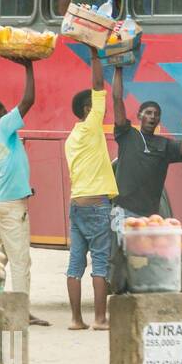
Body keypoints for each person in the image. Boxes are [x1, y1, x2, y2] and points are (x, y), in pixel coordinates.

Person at [109, 67, 182, 290]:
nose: (152, 117)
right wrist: (119, 68)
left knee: (142, 259)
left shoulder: (164, 145)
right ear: (138, 116)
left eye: (156, 114)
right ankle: (119, 295)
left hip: (148, 216)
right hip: (124, 210)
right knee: (120, 254)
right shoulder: (127, 135)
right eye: (148, 113)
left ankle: (134, 295)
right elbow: (117, 98)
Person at [0, 56, 48, 326]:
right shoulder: (4, 126)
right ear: (0, 113)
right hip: (11, 208)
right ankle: (21, 313)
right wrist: (29, 65)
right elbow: (28, 100)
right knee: (21, 262)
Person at [64, 47, 118, 331]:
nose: (103, 110)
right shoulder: (91, 126)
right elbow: (98, 86)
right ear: (89, 110)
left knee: (75, 265)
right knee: (99, 263)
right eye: (97, 107)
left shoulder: (71, 138)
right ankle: (99, 318)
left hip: (76, 205)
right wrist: (95, 55)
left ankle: (75, 319)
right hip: (97, 206)